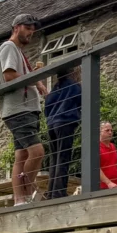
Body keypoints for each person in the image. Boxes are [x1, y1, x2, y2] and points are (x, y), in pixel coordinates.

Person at [0, 13, 47, 206]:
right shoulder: (9, 47)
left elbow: (18, 75)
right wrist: (35, 80)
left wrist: (37, 81)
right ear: (16, 27)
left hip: (24, 108)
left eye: (33, 29)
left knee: (22, 155)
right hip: (19, 109)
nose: (31, 32)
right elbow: (9, 75)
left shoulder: (17, 51)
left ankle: (20, 200)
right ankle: (27, 193)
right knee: (37, 151)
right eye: (27, 28)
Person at [44, 66, 81, 199]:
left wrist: (51, 118)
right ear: (73, 73)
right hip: (65, 122)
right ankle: (59, 192)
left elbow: (47, 107)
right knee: (63, 158)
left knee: (54, 159)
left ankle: (51, 192)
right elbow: (81, 102)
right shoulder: (74, 87)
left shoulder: (55, 89)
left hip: (52, 125)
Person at [99, 122, 117, 189]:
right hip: (103, 188)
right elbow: (95, 168)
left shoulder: (113, 146)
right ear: (99, 132)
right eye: (107, 130)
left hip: (116, 186)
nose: (110, 132)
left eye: (111, 130)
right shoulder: (96, 148)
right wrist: (108, 183)